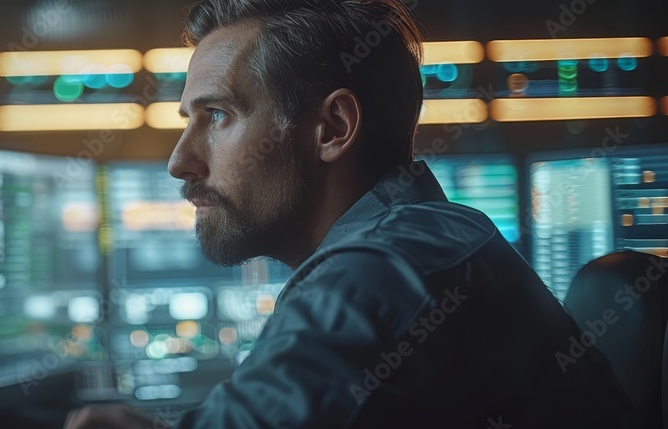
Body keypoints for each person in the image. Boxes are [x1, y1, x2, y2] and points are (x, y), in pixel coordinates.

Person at [65, 0, 639, 427]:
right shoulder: (423, 241)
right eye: (188, 120)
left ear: (333, 128)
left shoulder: (392, 264)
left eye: (217, 115)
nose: (179, 162)